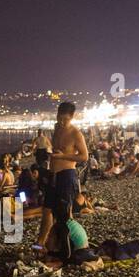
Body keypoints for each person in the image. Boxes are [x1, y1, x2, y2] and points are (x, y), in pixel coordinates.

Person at [38, 101, 88, 249]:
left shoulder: (75, 133)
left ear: (72, 117)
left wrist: (63, 156)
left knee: (65, 214)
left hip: (67, 175)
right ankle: (40, 243)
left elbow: (84, 156)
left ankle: (71, 245)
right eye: (59, 118)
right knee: (47, 210)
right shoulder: (56, 128)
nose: (61, 121)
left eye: (65, 119)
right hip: (53, 174)